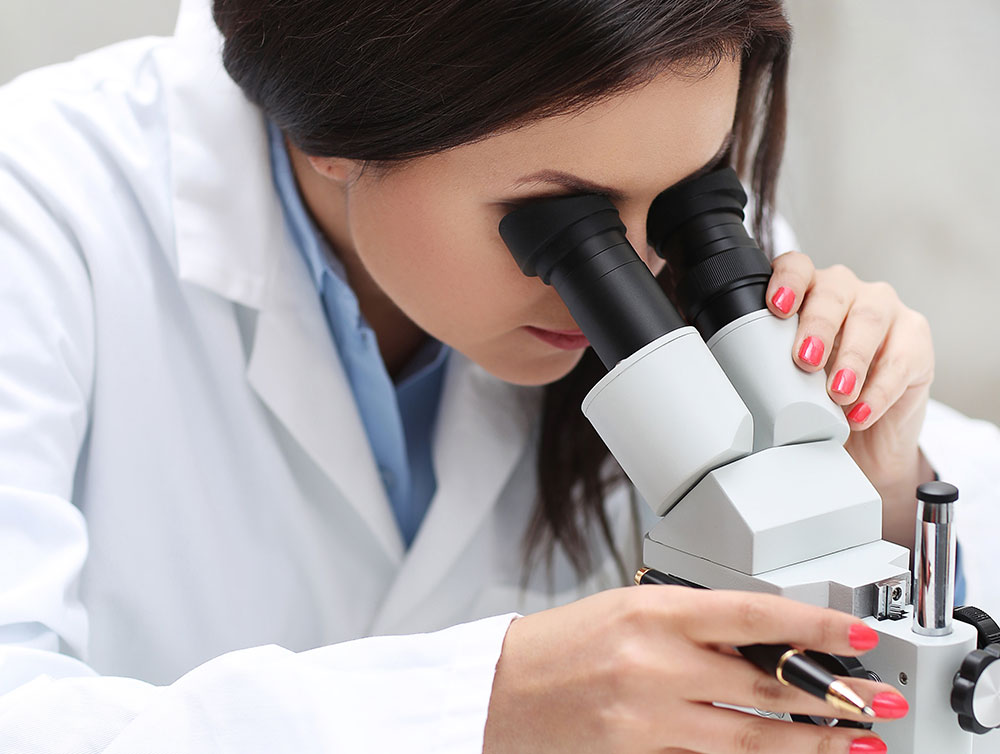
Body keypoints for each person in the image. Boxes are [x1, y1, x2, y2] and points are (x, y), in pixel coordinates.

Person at [1, 0, 998, 752]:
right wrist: (481, 703)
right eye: (561, 223)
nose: (635, 270)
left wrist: (879, 486)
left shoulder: (659, 241)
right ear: (335, 131)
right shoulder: (40, 216)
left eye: (679, 202)